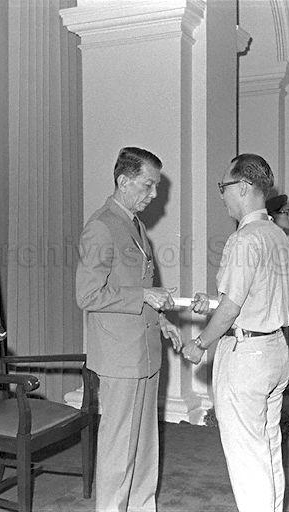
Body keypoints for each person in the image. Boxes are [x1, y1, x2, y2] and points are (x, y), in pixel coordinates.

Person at [182, 153, 289, 512]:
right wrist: (214, 303)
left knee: (248, 458)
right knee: (268, 447)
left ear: (243, 187)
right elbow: (248, 298)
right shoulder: (276, 234)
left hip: (245, 358)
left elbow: (233, 309)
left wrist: (200, 343)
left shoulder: (243, 240)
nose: (222, 195)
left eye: (224, 187)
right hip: (276, 350)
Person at [75, 147, 182, 512]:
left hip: (145, 350)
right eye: (148, 186)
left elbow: (137, 290)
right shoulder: (102, 226)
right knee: (119, 445)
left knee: (145, 442)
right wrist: (144, 295)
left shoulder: (134, 225)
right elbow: (87, 294)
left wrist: (163, 319)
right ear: (124, 181)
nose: (154, 195)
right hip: (120, 355)